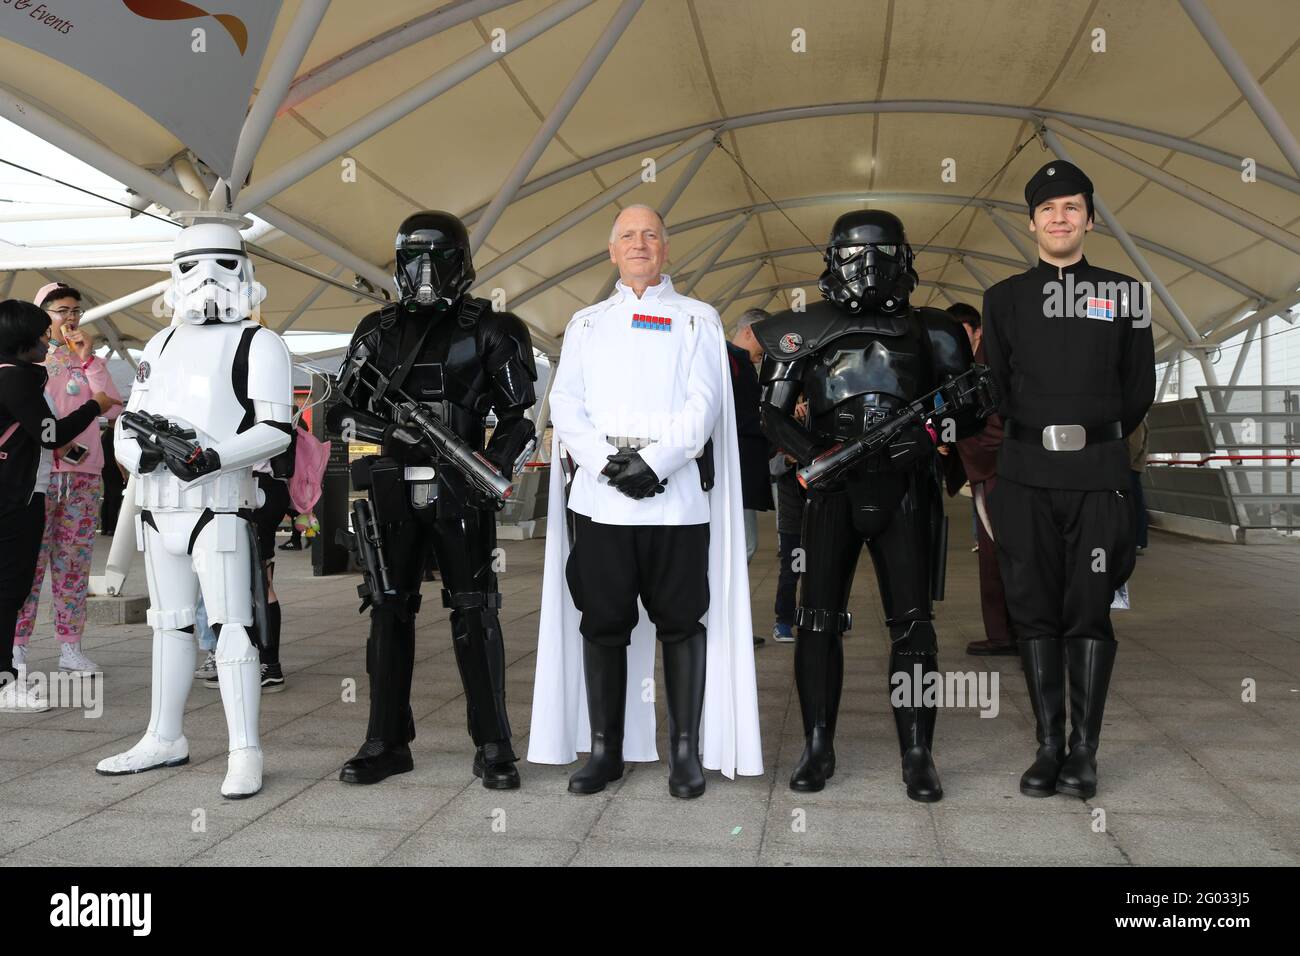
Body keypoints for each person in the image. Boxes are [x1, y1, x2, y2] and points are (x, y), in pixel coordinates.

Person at [528, 204, 763, 799]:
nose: (639, 244)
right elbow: (567, 403)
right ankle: (606, 749)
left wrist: (655, 462)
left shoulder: (697, 319)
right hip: (601, 501)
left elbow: (704, 403)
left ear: (666, 249)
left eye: (650, 235)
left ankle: (684, 750)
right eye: (627, 236)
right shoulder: (584, 324)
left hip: (675, 499)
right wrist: (609, 463)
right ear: (611, 251)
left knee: (682, 623)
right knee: (603, 622)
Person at [754, 210, 989, 801]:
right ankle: (817, 744)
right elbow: (770, 412)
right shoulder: (799, 328)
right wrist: (812, 456)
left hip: (907, 484)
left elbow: (971, 407)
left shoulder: (937, 330)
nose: (869, 269)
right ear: (833, 261)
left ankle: (917, 751)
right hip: (831, 490)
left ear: (904, 259)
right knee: (816, 620)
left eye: (883, 254)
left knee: (913, 625)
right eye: (858, 256)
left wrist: (932, 435)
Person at [326, 211, 537, 789]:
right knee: (388, 609)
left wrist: (493, 462)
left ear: (461, 260)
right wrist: (388, 433)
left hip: (460, 487)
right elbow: (336, 413)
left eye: (436, 256)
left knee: (476, 610)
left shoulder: (494, 329)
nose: (423, 271)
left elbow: (520, 415)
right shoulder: (377, 328)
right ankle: (385, 741)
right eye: (413, 256)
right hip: (390, 485)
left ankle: (494, 743)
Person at [95, 220, 294, 799]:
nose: (206, 277)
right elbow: (130, 423)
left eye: (221, 262)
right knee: (169, 623)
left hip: (222, 502)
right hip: (160, 502)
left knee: (232, 624)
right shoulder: (160, 344)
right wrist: (139, 454)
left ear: (243, 268)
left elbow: (277, 429)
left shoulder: (260, 343)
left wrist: (211, 458)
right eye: (191, 264)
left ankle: (245, 748)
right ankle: (163, 735)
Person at [982, 160, 1154, 800]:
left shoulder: (1126, 296)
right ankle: (1047, 746)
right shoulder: (1005, 299)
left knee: (1089, 610)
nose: (1060, 218)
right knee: (1032, 609)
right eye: (1048, 209)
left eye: (1072, 207)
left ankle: (1085, 751)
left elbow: (1137, 390)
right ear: (1032, 223)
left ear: (1088, 218)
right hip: (1025, 477)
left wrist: (1093, 437)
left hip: (1097, 477)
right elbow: (997, 384)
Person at [0, 300, 115, 713]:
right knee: (13, 585)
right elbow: (51, 432)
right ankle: (6, 676)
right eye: (42, 331)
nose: (50, 336)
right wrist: (93, 407)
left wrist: (87, 367)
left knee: (24, 580)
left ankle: (20, 669)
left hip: (26, 490)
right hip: (19, 495)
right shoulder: (16, 379)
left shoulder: (17, 375)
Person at [942, 302, 1015, 657]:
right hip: (994, 471)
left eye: (960, 334)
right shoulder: (969, 367)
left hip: (1000, 473)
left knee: (999, 554)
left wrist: (954, 439)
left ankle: (1007, 634)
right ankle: (1010, 631)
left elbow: (994, 428)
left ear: (978, 332)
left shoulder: (987, 366)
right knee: (996, 554)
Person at [728, 308, 775, 646]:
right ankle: (727, 626)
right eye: (765, 339)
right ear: (750, 332)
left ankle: (728, 624)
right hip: (737, 474)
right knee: (741, 547)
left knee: (740, 547)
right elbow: (737, 419)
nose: (767, 349)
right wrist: (772, 429)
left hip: (739, 473)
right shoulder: (731, 364)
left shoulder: (737, 364)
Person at [770, 399, 808, 643]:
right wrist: (787, 460)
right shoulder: (780, 429)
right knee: (792, 570)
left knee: (819, 570)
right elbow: (772, 467)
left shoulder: (822, 428)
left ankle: (818, 617)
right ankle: (783, 621)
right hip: (792, 517)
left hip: (819, 513)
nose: (802, 406)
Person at [1128, 417, 1150, 553]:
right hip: (1133, 466)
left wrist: (1123, 463)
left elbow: (1135, 445)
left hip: (1131, 467)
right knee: (1134, 503)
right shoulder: (1138, 419)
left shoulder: (1137, 421)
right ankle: (1137, 540)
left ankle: (1138, 541)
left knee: (1135, 503)